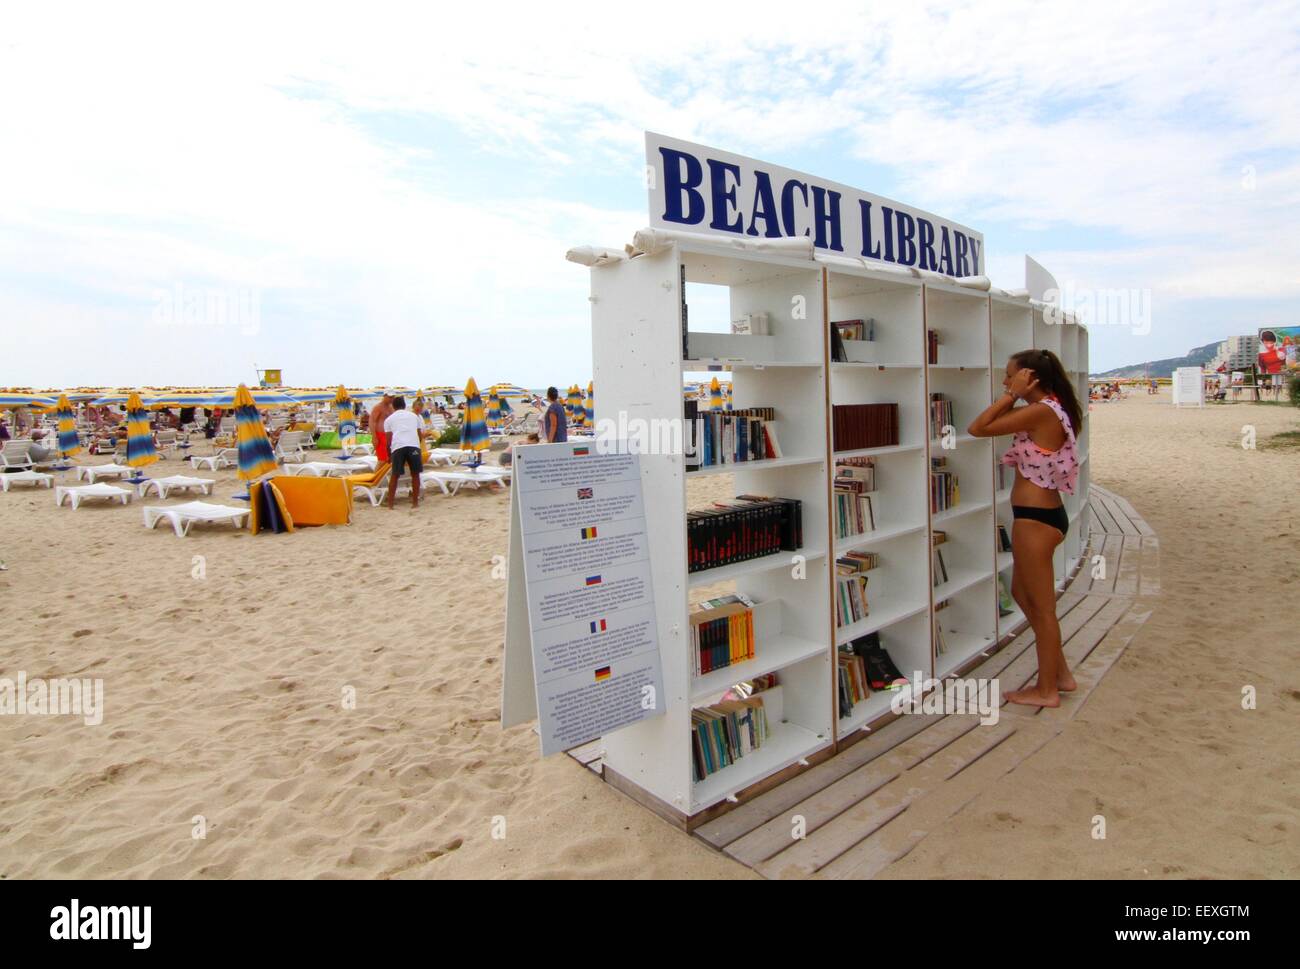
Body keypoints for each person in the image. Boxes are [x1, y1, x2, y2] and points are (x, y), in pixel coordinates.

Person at [967, 348, 1082, 708]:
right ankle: (1060, 672)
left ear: (1029, 377)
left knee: (1043, 610)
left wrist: (1010, 394)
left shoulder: (1041, 410)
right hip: (1038, 515)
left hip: (1036, 519)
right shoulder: (1047, 408)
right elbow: (991, 424)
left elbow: (977, 428)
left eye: (1010, 374)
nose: (1005, 380)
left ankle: (1047, 690)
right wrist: (1014, 395)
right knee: (1022, 593)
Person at [383, 396, 424, 509]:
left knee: (395, 476)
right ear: (405, 405)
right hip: (413, 446)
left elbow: (388, 441)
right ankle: (415, 503)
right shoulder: (414, 416)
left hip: (398, 446)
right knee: (415, 474)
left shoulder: (389, 419)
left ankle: (390, 504)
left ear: (393, 406)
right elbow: (419, 435)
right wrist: (416, 446)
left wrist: (389, 455)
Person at [369, 393, 395, 464]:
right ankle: (376, 475)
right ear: (384, 396)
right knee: (382, 460)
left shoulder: (391, 407)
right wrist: (374, 437)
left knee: (389, 459)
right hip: (380, 435)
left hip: (389, 436)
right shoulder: (378, 407)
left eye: (393, 397)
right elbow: (372, 422)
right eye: (390, 397)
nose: (391, 399)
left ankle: (383, 474)